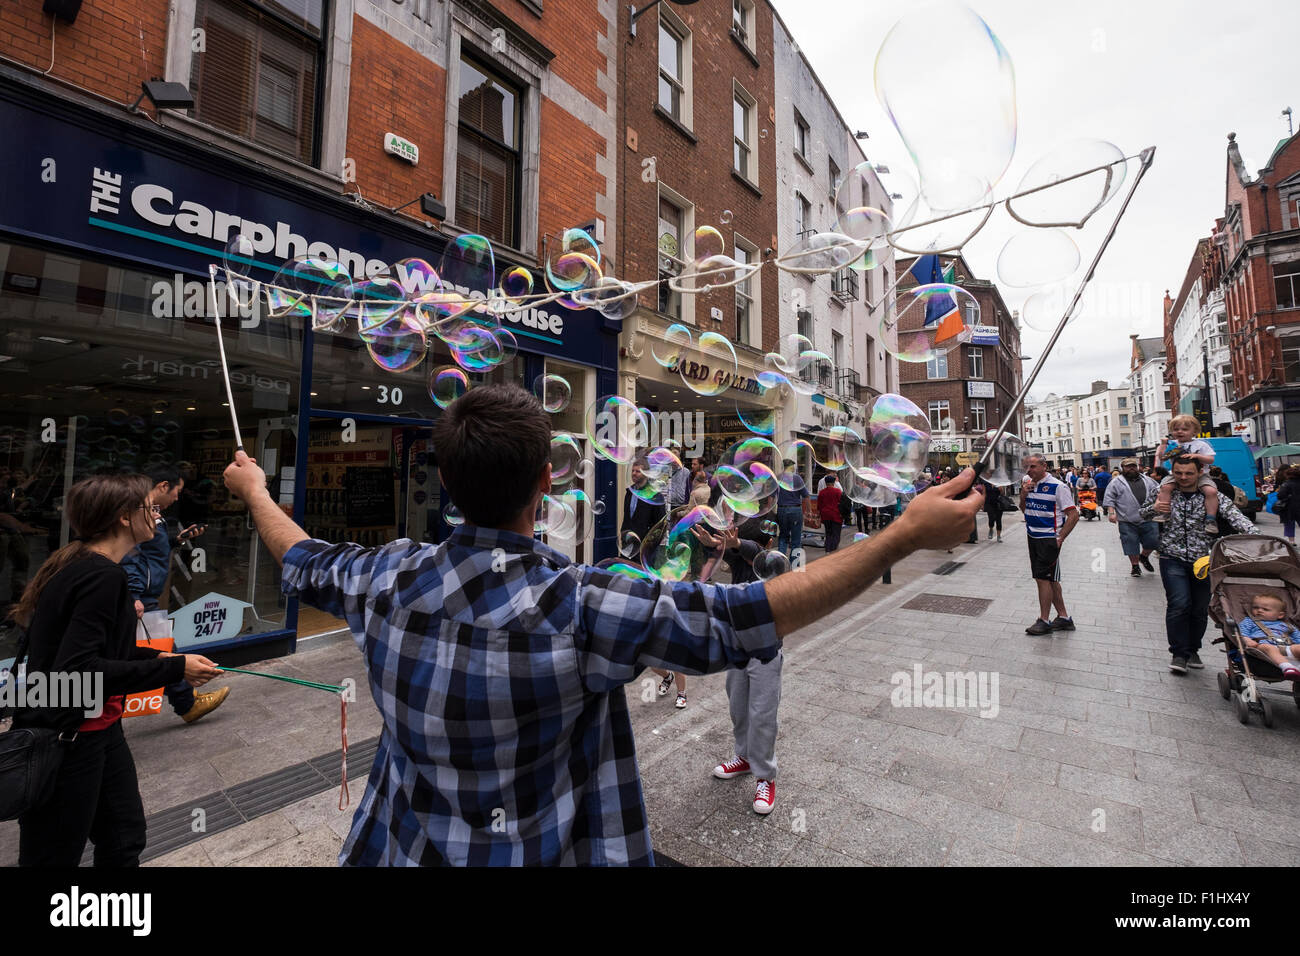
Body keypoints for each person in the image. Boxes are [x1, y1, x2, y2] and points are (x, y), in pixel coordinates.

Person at [222, 383, 984, 865]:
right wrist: (901, 535)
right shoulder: (581, 606)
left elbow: (300, 555)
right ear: (546, 480)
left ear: (445, 482)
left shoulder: (384, 578)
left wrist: (256, 487)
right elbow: (751, 615)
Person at [10, 474, 220, 866]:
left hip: (100, 728)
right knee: (52, 856)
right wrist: (174, 669)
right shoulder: (102, 576)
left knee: (124, 840)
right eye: (150, 508)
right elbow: (80, 669)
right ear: (125, 517)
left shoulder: (86, 564)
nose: (157, 517)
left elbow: (100, 651)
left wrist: (160, 659)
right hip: (68, 737)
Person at [121, 466, 229, 725]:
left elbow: (149, 550)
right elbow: (130, 555)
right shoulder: (138, 513)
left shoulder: (152, 514)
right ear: (162, 486)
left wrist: (176, 541)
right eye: (177, 491)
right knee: (160, 648)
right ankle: (186, 702)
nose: (178, 498)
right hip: (140, 596)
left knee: (158, 646)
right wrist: (134, 593)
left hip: (145, 593)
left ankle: (185, 701)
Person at [1141, 456, 1258, 674]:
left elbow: (1236, 517)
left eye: (1189, 473)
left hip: (1204, 560)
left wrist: (1257, 538)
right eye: (1178, 473)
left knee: (1198, 608)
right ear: (1172, 473)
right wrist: (1154, 508)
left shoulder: (1211, 495)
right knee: (1179, 604)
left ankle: (1192, 649)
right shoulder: (1164, 491)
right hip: (1171, 557)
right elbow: (1143, 513)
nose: (1183, 478)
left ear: (1199, 473)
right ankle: (1178, 653)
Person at [1020, 454, 1079, 635]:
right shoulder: (1028, 484)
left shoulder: (1058, 487)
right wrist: (1023, 494)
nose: (1029, 471)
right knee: (1051, 579)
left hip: (1048, 538)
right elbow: (1024, 509)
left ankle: (1044, 620)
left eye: (1033, 466)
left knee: (1042, 578)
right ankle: (1063, 617)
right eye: (1027, 467)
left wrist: (1060, 537)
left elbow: (1073, 515)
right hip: (1033, 536)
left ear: (1044, 466)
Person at [1152, 415, 1219, 533]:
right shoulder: (1172, 444)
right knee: (1165, 487)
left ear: (1195, 431)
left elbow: (1211, 460)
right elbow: (1162, 457)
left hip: (1201, 476)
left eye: (1184, 429)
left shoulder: (1201, 445)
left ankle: (1210, 519)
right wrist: (1163, 445)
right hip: (1176, 475)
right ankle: (1165, 512)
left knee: (1211, 491)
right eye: (1176, 429)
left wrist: (1197, 456)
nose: (1180, 432)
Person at [1103, 458, 1159, 577]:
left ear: (1138, 467)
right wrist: (1111, 513)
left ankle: (1144, 556)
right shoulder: (1116, 482)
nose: (1131, 468)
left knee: (1154, 541)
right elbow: (1110, 498)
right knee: (1130, 543)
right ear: (1123, 468)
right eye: (1128, 466)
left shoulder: (1149, 480)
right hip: (1127, 519)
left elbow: (1160, 493)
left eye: (1133, 466)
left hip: (1149, 517)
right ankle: (1135, 566)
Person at [1238, 594, 1300, 680]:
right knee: (1268, 647)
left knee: (1298, 648)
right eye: (1255, 607)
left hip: (1287, 648)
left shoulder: (1288, 625)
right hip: (1263, 649)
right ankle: (1288, 668)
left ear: (1280, 615)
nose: (1259, 610)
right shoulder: (1249, 621)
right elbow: (1242, 633)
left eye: (1265, 609)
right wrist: (1247, 640)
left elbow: (1298, 638)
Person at [774, 458, 809, 559]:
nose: (794, 468)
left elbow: (771, 497)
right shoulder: (797, 478)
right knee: (796, 539)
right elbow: (806, 496)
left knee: (783, 536)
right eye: (793, 466)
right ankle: (794, 565)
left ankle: (780, 562)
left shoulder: (777, 478)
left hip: (781, 510)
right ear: (790, 466)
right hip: (795, 510)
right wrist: (808, 511)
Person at [817, 473, 845, 553]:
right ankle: (833, 549)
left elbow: (819, 505)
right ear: (834, 483)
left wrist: (819, 514)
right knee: (836, 534)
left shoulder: (822, 492)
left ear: (825, 483)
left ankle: (828, 549)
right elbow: (842, 503)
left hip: (825, 515)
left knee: (828, 533)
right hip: (836, 515)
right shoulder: (837, 491)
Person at [1275, 466, 1300, 544]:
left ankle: (1292, 542)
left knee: (1289, 524)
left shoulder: (1286, 484)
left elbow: (1280, 495)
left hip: (1289, 507)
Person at [980, 476, 1004, 542]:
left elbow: (1002, 494)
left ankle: (999, 536)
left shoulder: (999, 483)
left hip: (998, 503)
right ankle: (991, 529)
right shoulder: (986, 483)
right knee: (991, 518)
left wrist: (1001, 489)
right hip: (989, 503)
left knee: (999, 519)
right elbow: (984, 494)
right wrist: (982, 504)